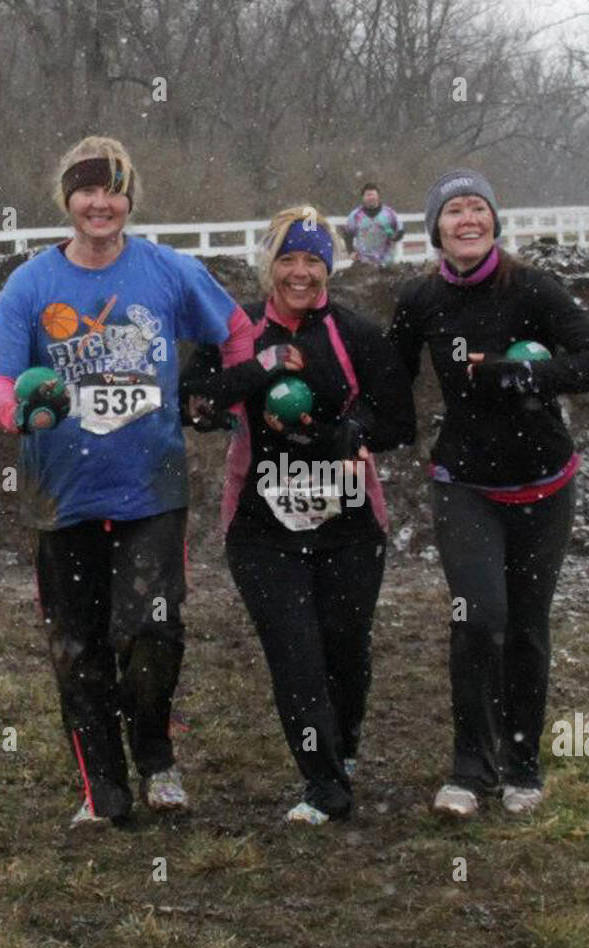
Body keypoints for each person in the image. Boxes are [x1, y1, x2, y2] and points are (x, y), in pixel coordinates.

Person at [0, 136, 254, 829]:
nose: (100, 203)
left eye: (113, 190)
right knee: (78, 646)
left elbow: (238, 332)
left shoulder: (167, 272)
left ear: (129, 199)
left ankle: (157, 756)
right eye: (86, 190)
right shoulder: (31, 286)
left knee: (151, 632)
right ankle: (101, 785)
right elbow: (0, 381)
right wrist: (19, 412)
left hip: (151, 490)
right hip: (62, 494)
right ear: (67, 201)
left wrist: (212, 391)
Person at [388, 169, 589, 819]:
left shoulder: (534, 290)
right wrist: (343, 427)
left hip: (545, 485)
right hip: (464, 485)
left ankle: (521, 763)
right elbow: (390, 381)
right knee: (478, 619)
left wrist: (521, 371)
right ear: (435, 229)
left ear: (494, 222)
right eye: (453, 211)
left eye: (478, 210)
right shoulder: (419, 301)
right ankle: (469, 769)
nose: (468, 220)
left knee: (525, 627)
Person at [181, 204, 415, 824]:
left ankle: (344, 753)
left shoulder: (357, 333)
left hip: (351, 523)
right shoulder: (235, 330)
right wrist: (259, 369)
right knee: (294, 652)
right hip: (260, 526)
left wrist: (347, 435)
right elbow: (195, 403)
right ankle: (322, 785)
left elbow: (399, 421)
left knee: (345, 650)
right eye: (288, 258)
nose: (301, 272)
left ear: (330, 265)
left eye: (313, 259)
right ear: (269, 264)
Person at [343, 183, 405, 266]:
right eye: (368, 195)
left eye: (373, 195)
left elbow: (401, 231)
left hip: (387, 263)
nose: (371, 198)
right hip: (363, 263)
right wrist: (351, 251)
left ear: (378, 197)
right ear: (363, 197)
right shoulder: (355, 215)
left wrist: (395, 237)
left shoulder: (389, 214)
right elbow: (347, 234)